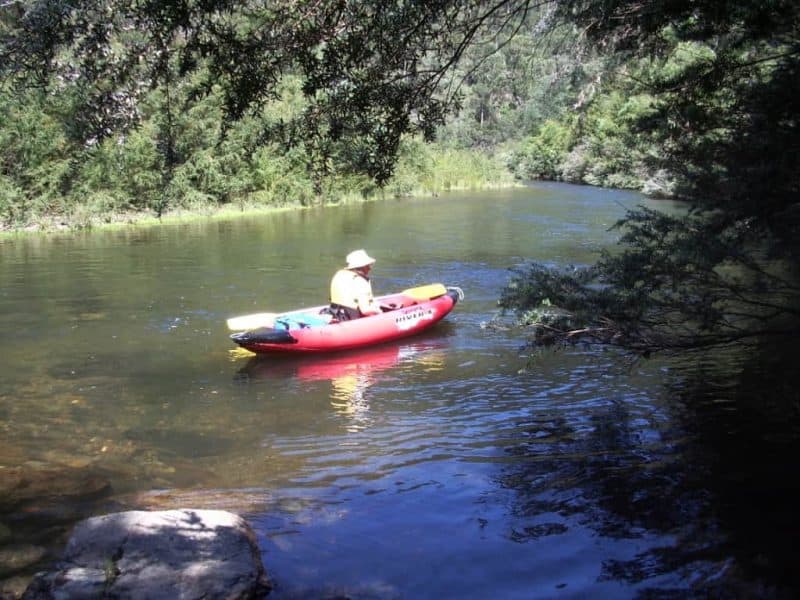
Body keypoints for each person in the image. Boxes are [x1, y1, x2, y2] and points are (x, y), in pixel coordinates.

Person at [329, 249, 381, 320]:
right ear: (361, 267)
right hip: (350, 319)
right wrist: (379, 311)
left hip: (334, 313)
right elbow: (365, 310)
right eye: (367, 265)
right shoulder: (360, 281)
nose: (370, 268)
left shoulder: (340, 274)